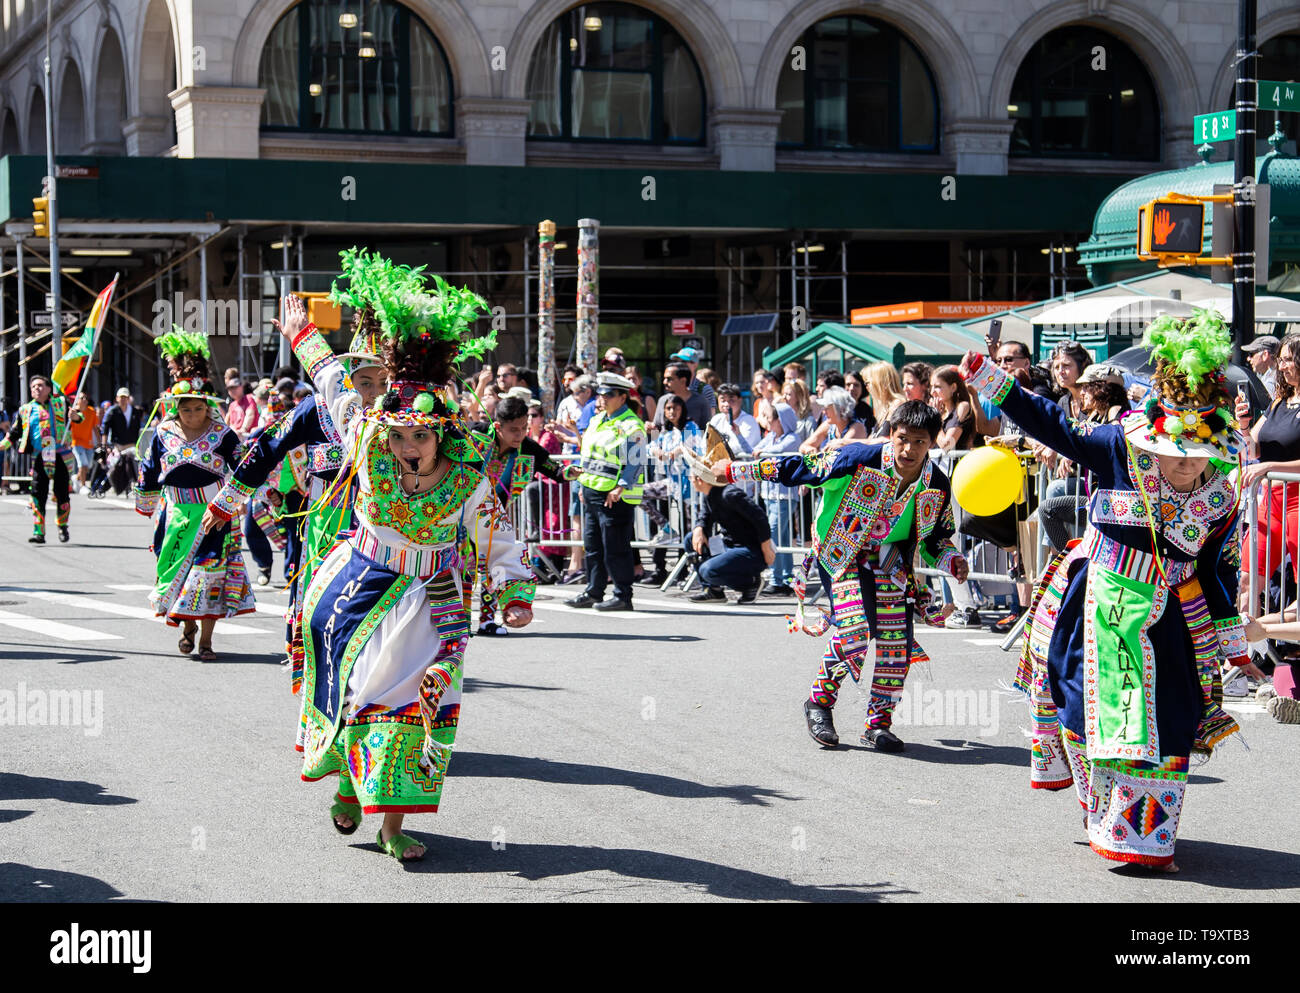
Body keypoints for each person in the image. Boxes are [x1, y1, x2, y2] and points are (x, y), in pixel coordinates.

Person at [961, 308, 1248, 871]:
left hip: (1173, 615)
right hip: (1101, 601)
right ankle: (1100, 803)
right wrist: (990, 379)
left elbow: (1217, 572)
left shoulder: (1221, 496)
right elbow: (1051, 421)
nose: (1186, 466)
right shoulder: (1118, 445)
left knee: (1168, 714)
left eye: (1198, 457)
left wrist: (1234, 646)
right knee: (1084, 705)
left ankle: (1145, 834)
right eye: (1176, 453)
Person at [274, 264, 535, 863]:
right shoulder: (367, 443)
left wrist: (515, 592)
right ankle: (346, 781)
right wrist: (304, 336)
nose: (406, 447)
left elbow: (497, 541)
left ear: (441, 433)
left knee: (420, 708)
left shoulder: (470, 480)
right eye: (398, 437)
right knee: (358, 695)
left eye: (418, 436)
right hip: (362, 587)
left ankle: (392, 826)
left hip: (434, 602)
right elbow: (336, 388)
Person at [715, 400, 968, 752]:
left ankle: (878, 725)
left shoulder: (936, 484)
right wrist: (736, 471)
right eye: (902, 438)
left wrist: (952, 558)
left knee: (896, 645)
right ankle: (819, 704)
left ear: (932, 443)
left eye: (920, 441)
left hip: (889, 560)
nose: (909, 449)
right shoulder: (859, 460)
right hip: (841, 550)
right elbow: (802, 467)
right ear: (890, 435)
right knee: (855, 630)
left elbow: (936, 539)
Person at [204, 264, 390, 698]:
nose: (374, 390)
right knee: (324, 615)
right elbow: (266, 447)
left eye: (384, 380)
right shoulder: (324, 410)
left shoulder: (406, 421)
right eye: (365, 380)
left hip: (387, 529)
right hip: (330, 526)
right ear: (348, 378)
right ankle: (325, 702)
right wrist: (226, 501)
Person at [135, 329, 256, 661]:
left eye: (198, 409)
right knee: (176, 572)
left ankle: (205, 640)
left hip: (212, 514)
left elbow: (245, 467)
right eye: (185, 410)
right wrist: (145, 499)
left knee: (208, 575)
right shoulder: (163, 433)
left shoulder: (223, 435)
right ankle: (187, 627)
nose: (192, 415)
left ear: (208, 407)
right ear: (176, 408)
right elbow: (149, 468)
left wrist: (236, 500)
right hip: (174, 513)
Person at [470, 394, 579, 635]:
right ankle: (455, 623)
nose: (519, 434)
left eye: (523, 428)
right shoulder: (475, 437)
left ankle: (487, 621)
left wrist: (570, 472)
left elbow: (555, 470)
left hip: (494, 522)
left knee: (493, 568)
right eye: (513, 430)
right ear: (497, 426)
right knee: (461, 570)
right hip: (460, 517)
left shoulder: (528, 448)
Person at [566, 372, 646, 612]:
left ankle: (623, 595)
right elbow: (588, 456)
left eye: (609, 394)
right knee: (593, 546)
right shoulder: (598, 420)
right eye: (601, 394)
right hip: (592, 491)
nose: (603, 398)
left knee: (616, 547)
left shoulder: (631, 424)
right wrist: (582, 485)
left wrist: (622, 485)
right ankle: (594, 591)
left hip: (615, 495)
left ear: (622, 397)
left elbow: (637, 459)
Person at [1236, 334, 1300, 615]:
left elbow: (1262, 462)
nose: (1281, 366)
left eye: (1287, 359)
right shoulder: (1278, 402)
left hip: (1297, 503)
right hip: (1272, 502)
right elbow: (1253, 449)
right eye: (1281, 359)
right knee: (1247, 581)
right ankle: (1242, 656)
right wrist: (1243, 425)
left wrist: (1268, 468)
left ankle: (1271, 631)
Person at [1, 375, 82, 543]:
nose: (36, 389)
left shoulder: (61, 403)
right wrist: (2, 445)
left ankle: (62, 526)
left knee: (62, 493)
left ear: (48, 389)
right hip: (39, 456)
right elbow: (15, 433)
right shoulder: (26, 410)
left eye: (39, 386)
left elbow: (78, 417)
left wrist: (75, 417)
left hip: (59, 454)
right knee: (38, 493)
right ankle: (39, 532)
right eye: (33, 387)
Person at [685, 472, 775, 604]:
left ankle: (750, 583)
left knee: (708, 570)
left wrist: (766, 549)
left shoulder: (730, 494)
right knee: (691, 539)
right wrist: (699, 528)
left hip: (751, 550)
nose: (690, 481)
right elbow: (704, 517)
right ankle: (713, 591)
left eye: (691, 478)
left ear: (700, 480)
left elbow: (760, 518)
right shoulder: (709, 495)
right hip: (729, 545)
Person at [752, 401, 801, 595]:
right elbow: (756, 449)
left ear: (781, 420)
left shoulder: (792, 438)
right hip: (770, 493)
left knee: (772, 533)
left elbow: (776, 453)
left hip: (785, 495)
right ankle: (786, 578)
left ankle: (776, 578)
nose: (768, 423)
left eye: (771, 419)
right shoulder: (771, 437)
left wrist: (762, 454)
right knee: (783, 537)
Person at [799, 386, 865, 454]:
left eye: (827, 408)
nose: (824, 412)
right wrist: (809, 449)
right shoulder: (829, 425)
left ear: (840, 409)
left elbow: (839, 453)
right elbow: (803, 446)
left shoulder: (857, 427)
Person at [930, 366, 978, 452]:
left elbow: (947, 445)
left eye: (937, 387)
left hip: (957, 464)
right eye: (931, 386)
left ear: (953, 387)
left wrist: (935, 419)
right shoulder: (940, 411)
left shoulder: (963, 407)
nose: (932, 392)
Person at [709, 382, 762, 455]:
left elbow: (743, 447)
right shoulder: (716, 419)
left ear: (740, 400)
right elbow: (706, 443)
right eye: (723, 401)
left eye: (731, 400)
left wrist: (716, 449)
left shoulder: (749, 421)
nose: (727, 404)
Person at [657, 363, 712, 429]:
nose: (664, 382)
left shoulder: (701, 402)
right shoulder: (663, 400)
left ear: (683, 381)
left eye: (669, 379)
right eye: (668, 408)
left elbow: (706, 431)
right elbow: (656, 428)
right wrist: (652, 433)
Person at [862, 362, 905, 437]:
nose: (866, 387)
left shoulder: (897, 405)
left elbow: (887, 440)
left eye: (867, 383)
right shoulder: (884, 409)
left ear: (880, 382)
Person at [69, 392, 100, 493]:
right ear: (77, 400)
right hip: (77, 442)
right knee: (83, 464)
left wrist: (99, 442)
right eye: (82, 398)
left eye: (86, 398)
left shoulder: (91, 411)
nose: (84, 400)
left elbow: (95, 427)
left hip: (89, 443)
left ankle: (76, 477)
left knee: (88, 466)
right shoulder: (73, 412)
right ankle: (83, 486)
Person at [223, 368, 259, 438]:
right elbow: (227, 422)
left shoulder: (249, 398)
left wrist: (243, 429)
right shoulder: (232, 405)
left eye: (235, 387)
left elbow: (250, 415)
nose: (232, 390)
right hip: (235, 438)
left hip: (247, 437)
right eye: (229, 388)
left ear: (241, 386)